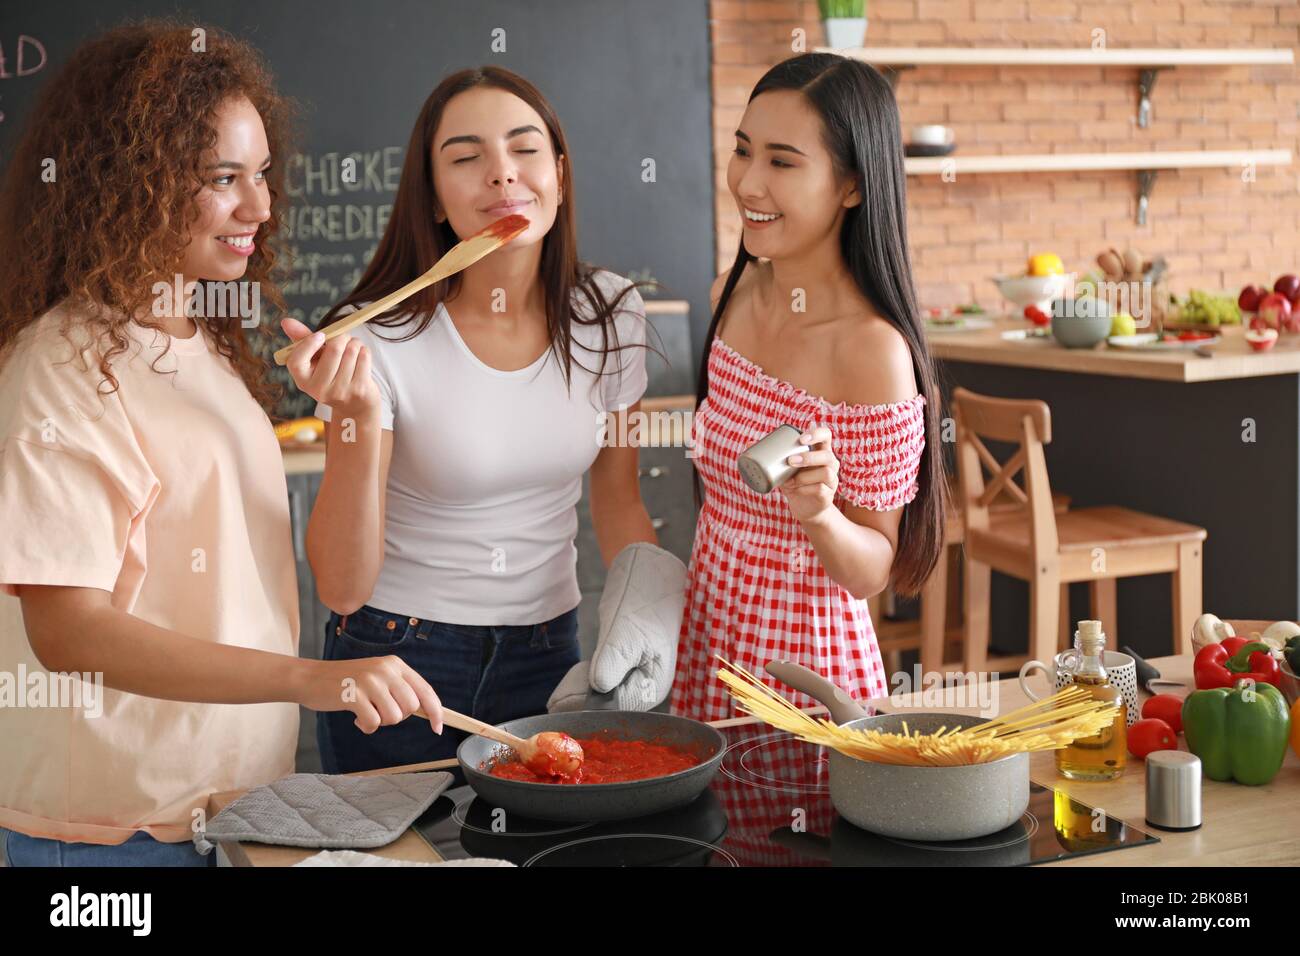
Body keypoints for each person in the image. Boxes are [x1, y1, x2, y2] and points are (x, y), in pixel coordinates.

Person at [0, 21, 442, 867]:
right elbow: (66, 631)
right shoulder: (60, 366)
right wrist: (310, 681)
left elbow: (344, 589)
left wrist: (354, 421)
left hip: (233, 808)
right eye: (223, 179)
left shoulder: (203, 341)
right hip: (113, 832)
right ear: (130, 183)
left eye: (263, 174)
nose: (261, 208)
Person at [280, 66, 658, 774]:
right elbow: (340, 588)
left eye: (524, 149)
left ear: (561, 175)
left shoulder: (611, 314)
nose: (501, 176)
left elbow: (619, 499)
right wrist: (356, 411)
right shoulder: (373, 339)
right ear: (432, 199)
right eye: (465, 157)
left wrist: (648, 617)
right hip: (396, 663)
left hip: (551, 653)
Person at [673, 53, 949, 723]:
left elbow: (870, 571)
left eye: (783, 162)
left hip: (805, 669)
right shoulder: (727, 296)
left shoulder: (872, 350)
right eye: (744, 151)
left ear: (852, 185)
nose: (748, 183)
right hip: (707, 640)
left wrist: (821, 514)